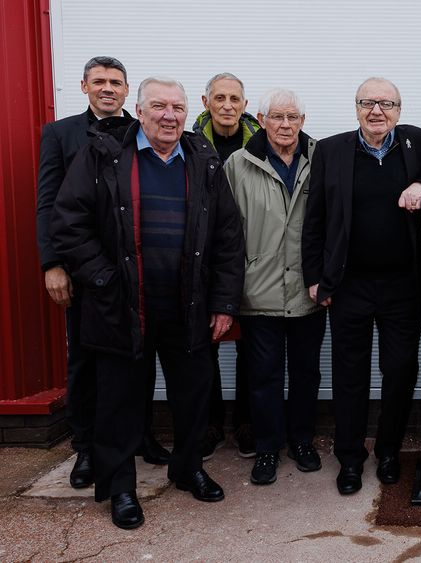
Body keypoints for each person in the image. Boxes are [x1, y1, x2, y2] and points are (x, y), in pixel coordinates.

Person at [50, 77, 245, 530]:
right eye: (159, 106)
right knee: (119, 401)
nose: (169, 115)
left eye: (176, 107)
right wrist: (101, 277)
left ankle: (188, 466)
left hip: (188, 305)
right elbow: (68, 222)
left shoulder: (203, 159)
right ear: (139, 111)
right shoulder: (103, 154)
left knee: (193, 395)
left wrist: (224, 303)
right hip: (121, 306)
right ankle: (121, 487)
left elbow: (228, 238)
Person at [301, 77, 421, 495]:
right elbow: (315, 219)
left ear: (399, 110)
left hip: (403, 286)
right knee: (349, 375)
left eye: (386, 103)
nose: (377, 111)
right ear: (356, 108)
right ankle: (350, 458)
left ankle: (388, 451)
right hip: (349, 286)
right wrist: (315, 277)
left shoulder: (417, 143)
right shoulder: (331, 150)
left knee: (400, 371)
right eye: (368, 102)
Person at [35, 56, 170, 490]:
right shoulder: (61, 134)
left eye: (115, 82)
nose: (107, 88)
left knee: (140, 358)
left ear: (128, 91)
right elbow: (51, 202)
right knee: (86, 360)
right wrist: (53, 263)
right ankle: (87, 448)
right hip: (84, 273)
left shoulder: (141, 130)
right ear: (84, 86)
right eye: (99, 81)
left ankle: (141, 435)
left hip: (137, 275)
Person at [224, 88, 324, 485]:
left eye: (293, 117)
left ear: (303, 120)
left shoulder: (319, 160)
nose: (285, 125)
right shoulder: (238, 163)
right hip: (258, 293)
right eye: (277, 117)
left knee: (306, 373)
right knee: (262, 376)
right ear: (261, 119)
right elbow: (227, 233)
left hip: (308, 291)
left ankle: (301, 441)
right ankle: (266, 448)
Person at [194, 72, 262, 459]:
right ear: (206, 102)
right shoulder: (190, 144)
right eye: (219, 98)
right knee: (205, 345)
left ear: (245, 104)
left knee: (251, 347)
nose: (227, 105)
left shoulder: (261, 144)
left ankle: (247, 424)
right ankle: (210, 425)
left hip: (250, 259)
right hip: (204, 261)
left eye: (234, 98)